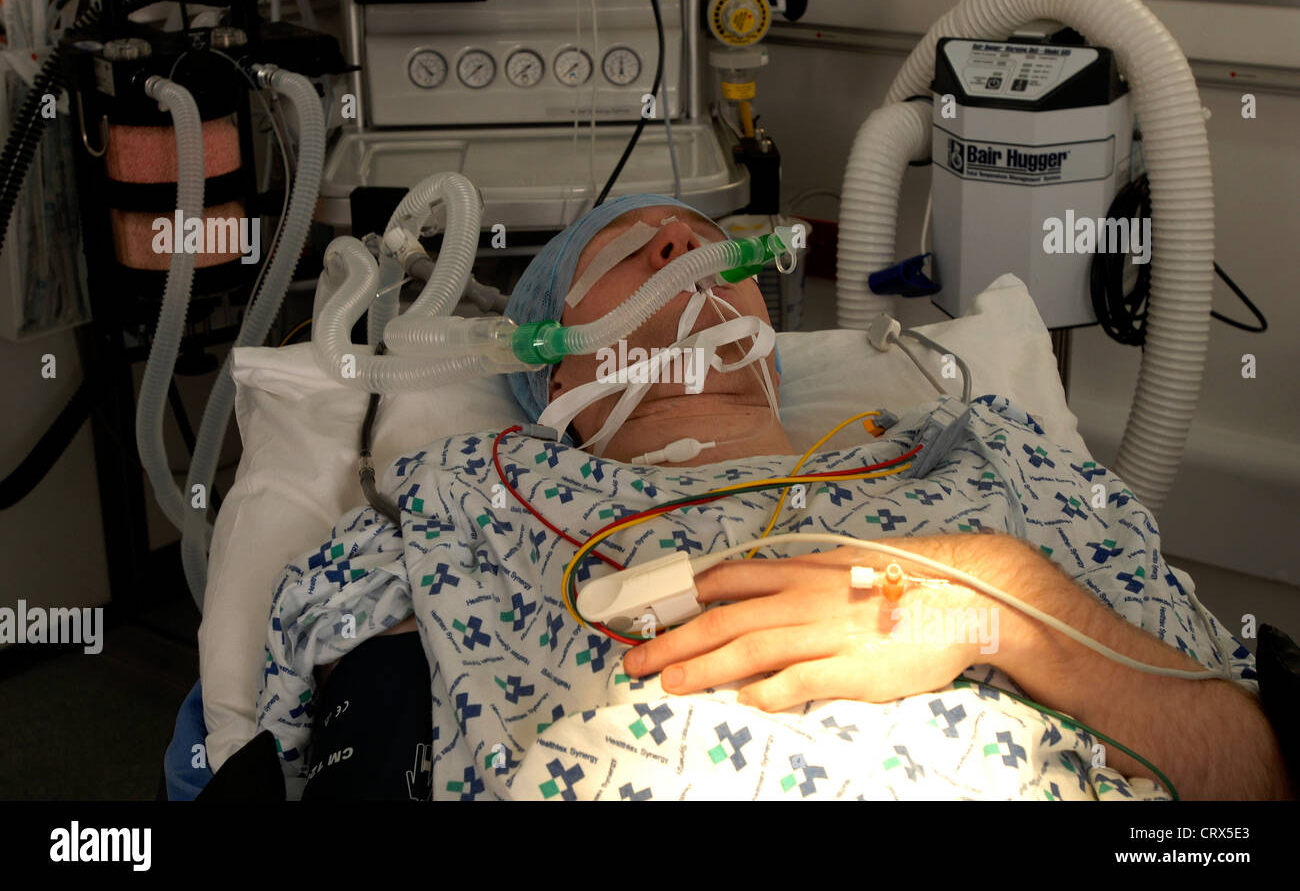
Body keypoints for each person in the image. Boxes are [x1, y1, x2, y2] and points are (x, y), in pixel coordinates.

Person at [250, 194, 1290, 801]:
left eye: (702, 239)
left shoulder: (988, 461)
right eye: (626, 250)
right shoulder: (465, 498)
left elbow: (1245, 772)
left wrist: (1002, 599)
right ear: (548, 365)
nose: (677, 252)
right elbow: (326, 732)